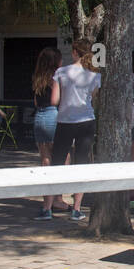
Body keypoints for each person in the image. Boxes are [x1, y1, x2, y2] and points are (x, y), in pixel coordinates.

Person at [38, 39, 100, 221]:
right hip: (87, 121)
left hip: (65, 121)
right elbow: (93, 97)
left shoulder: (61, 72)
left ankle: (47, 208)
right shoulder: (95, 75)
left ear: (74, 52)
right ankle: (77, 208)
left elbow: (54, 100)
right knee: (81, 163)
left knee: (56, 163)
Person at [31, 47, 70, 212]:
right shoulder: (57, 77)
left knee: (45, 159)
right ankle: (58, 199)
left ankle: (47, 199)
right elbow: (57, 100)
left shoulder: (37, 77)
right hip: (54, 115)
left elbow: (35, 101)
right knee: (62, 158)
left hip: (39, 117)